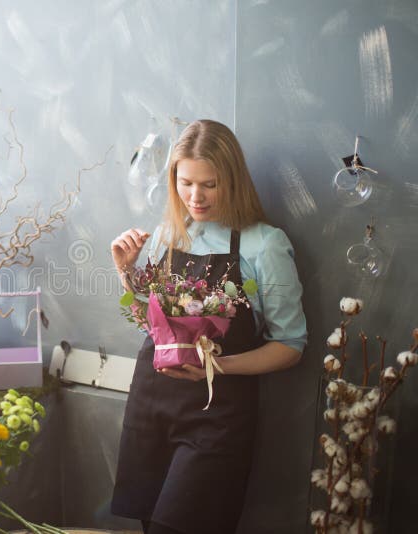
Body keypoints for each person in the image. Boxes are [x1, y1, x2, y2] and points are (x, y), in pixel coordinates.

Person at [109, 120, 307, 534]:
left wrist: (219, 367)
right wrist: (126, 274)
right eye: (185, 183)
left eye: (209, 185)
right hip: (152, 403)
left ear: (232, 179)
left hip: (216, 416)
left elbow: (290, 345)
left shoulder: (265, 245)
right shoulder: (170, 232)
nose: (195, 197)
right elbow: (155, 326)